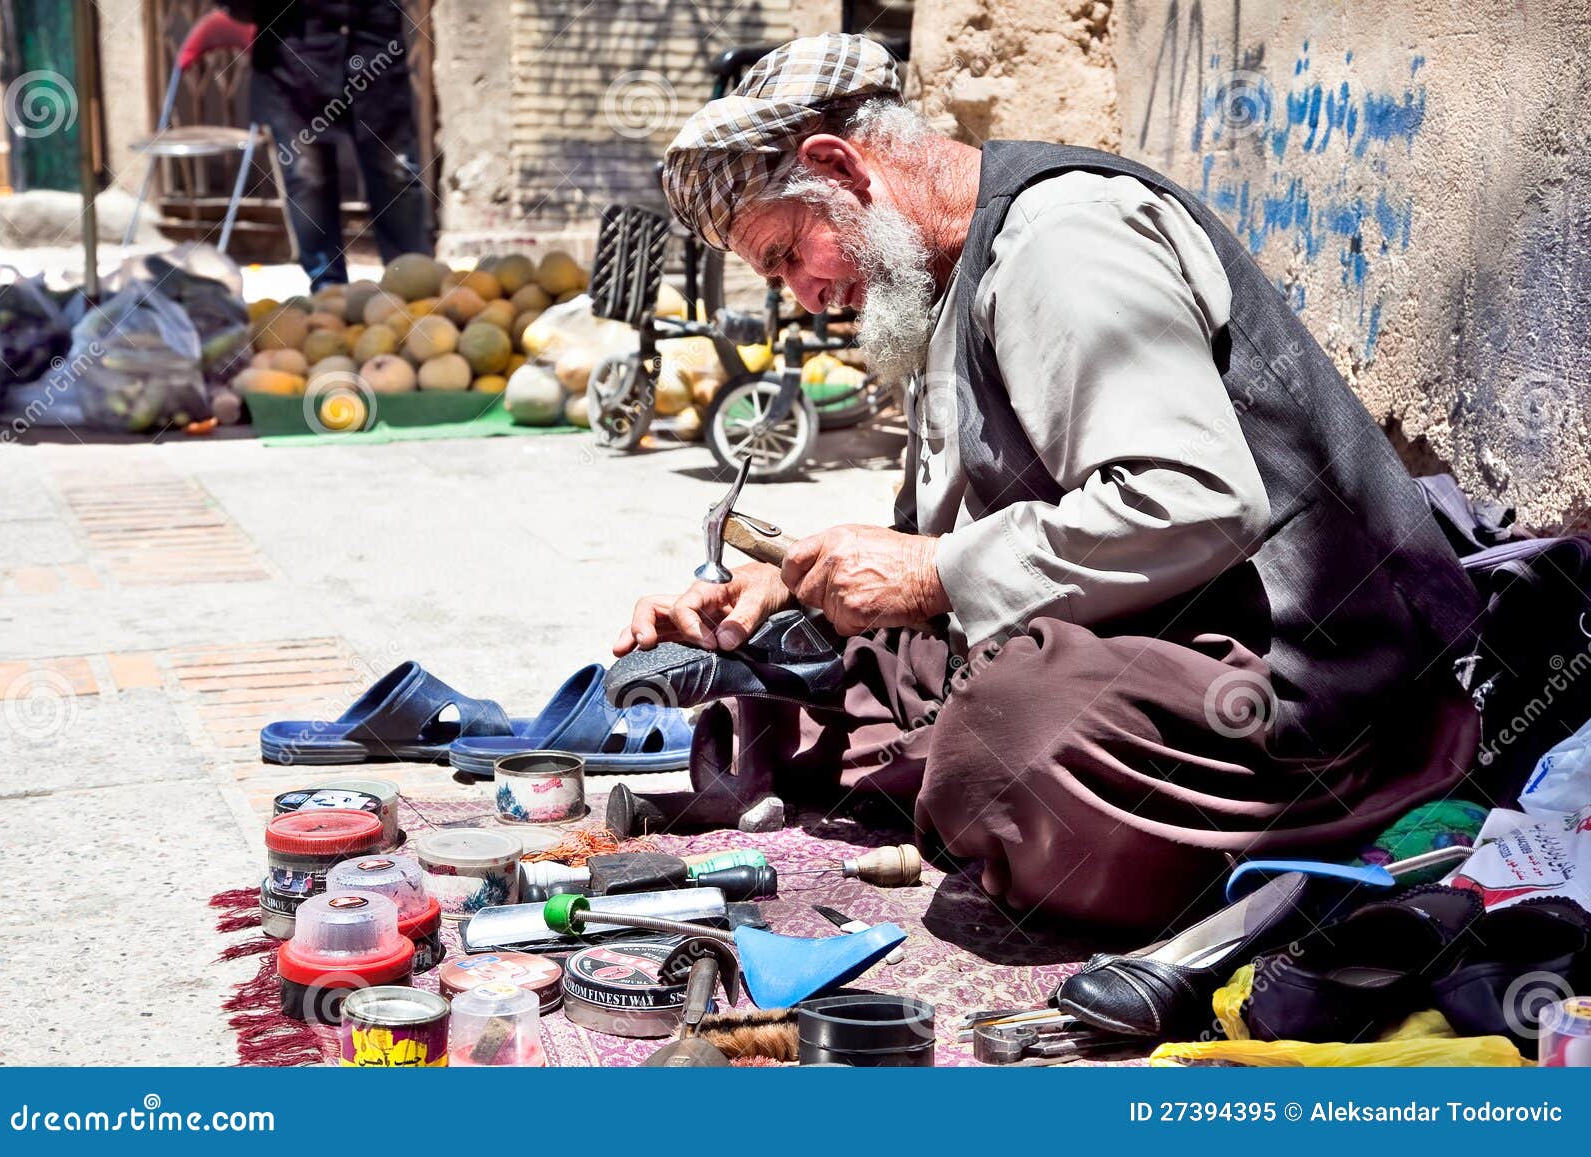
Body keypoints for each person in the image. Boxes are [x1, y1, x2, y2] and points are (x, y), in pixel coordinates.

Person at [616, 34, 1484, 931]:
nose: (804, 294)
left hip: (1302, 685)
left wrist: (935, 575)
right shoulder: (947, 281)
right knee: (805, 687)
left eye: (790, 254)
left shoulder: (1059, 239)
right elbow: (960, 539)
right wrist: (779, 588)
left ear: (838, 167)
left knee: (1008, 736)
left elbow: (1194, 497)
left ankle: (1335, 814)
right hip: (1134, 634)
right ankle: (982, 795)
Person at [222, 1, 431, 288]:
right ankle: (328, 292)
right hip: (292, 63)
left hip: (374, 52)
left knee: (395, 175)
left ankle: (416, 288)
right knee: (308, 180)